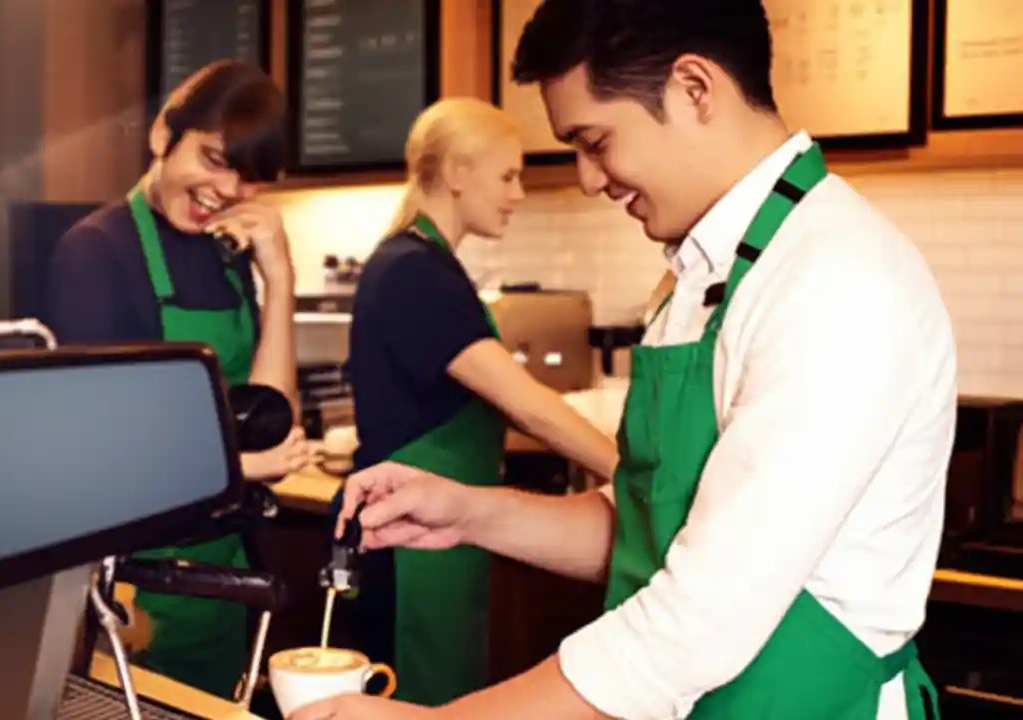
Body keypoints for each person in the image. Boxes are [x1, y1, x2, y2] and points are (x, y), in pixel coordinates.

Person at [294, 0, 956, 718]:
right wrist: (469, 514)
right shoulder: (702, 278)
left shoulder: (837, 279)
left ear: (694, 88)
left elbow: (700, 618)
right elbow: (649, 528)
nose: (588, 178)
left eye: (595, 140)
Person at [339, 96, 619, 708]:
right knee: (419, 702)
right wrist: (631, 478)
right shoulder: (415, 271)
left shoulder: (423, 261)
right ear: (458, 172)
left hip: (436, 526)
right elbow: (528, 406)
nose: (517, 193)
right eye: (508, 175)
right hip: (410, 539)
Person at [46, 60, 310, 700]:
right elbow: (95, 451)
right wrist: (236, 469)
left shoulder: (226, 257)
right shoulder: (95, 252)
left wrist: (281, 279)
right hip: (135, 587)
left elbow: (272, 421)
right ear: (164, 133)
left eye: (249, 177)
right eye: (215, 159)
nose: (228, 189)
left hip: (225, 577)